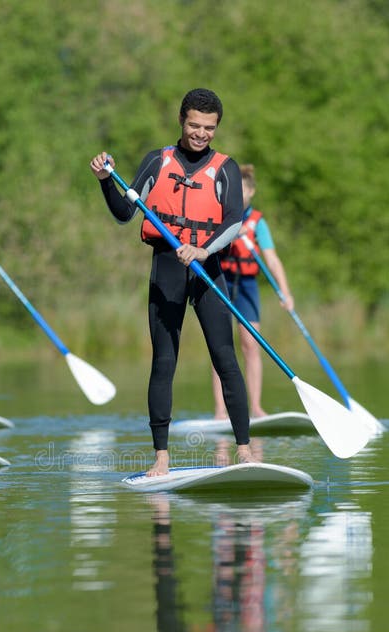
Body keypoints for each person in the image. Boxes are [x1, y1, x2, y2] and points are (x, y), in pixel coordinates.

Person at [90, 88, 251, 476]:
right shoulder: (157, 162)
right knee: (164, 362)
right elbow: (125, 213)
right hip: (166, 270)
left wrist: (203, 251)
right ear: (182, 121)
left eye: (209, 128)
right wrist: (104, 182)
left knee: (225, 359)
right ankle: (161, 456)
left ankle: (245, 451)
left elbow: (234, 222)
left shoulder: (225, 167)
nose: (200, 133)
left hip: (206, 270)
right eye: (194, 125)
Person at [212, 164, 295, 420]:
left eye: (242, 190)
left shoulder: (258, 222)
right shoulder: (221, 215)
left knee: (251, 345)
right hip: (221, 281)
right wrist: (236, 232)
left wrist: (285, 291)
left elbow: (272, 259)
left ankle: (256, 407)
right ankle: (220, 410)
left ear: (251, 191)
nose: (238, 194)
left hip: (246, 286)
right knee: (221, 346)